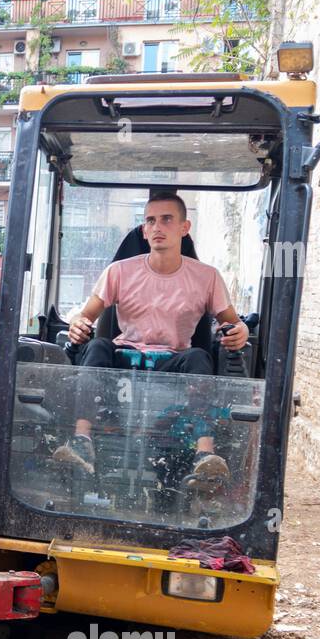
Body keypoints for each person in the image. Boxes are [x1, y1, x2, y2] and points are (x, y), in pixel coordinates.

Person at [54, 192, 249, 487]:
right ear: (144, 231)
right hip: (124, 359)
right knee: (96, 346)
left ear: (185, 227)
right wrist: (78, 325)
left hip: (173, 363)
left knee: (200, 356)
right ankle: (82, 441)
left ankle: (204, 456)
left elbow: (232, 323)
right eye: (150, 221)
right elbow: (85, 316)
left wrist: (241, 332)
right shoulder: (118, 272)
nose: (157, 227)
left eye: (167, 219)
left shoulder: (207, 277)